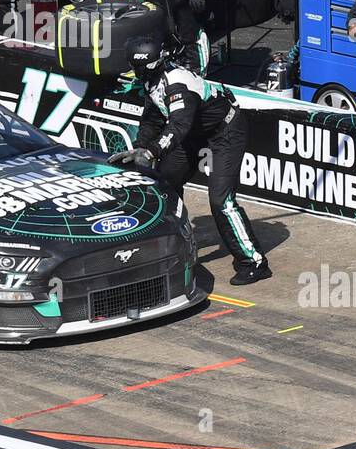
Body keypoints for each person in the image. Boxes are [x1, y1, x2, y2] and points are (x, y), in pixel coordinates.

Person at [111, 35, 270, 287]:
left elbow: (178, 125)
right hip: (195, 132)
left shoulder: (177, 84)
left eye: (133, 65)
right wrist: (139, 148)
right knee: (166, 183)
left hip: (226, 129)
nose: (131, 69)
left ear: (144, 65)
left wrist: (150, 152)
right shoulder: (152, 81)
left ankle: (254, 262)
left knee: (221, 200)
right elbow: (152, 118)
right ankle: (174, 247)